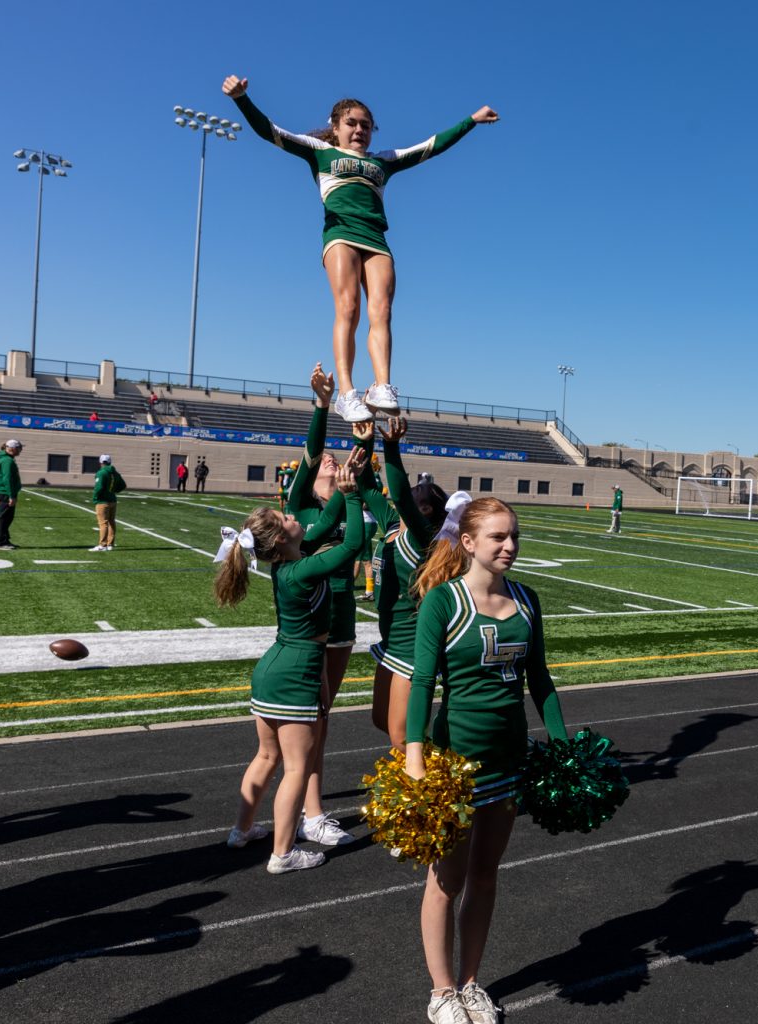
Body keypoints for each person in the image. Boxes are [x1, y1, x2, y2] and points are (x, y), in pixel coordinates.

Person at [224, 73, 499, 424]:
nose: (359, 130)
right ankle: (347, 393)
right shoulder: (320, 152)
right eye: (351, 123)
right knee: (349, 307)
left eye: (366, 125)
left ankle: (383, 386)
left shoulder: (384, 160)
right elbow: (271, 131)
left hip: (376, 239)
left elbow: (431, 146)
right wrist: (241, 100)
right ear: (335, 127)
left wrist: (471, 121)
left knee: (381, 310)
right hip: (340, 234)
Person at [405, 496, 568, 1024]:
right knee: (446, 880)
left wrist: (563, 746)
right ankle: (442, 991)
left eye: (514, 536)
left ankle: (472, 982)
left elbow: (539, 680)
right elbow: (423, 684)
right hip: (454, 767)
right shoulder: (443, 602)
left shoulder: (527, 599)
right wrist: (415, 758)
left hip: (508, 763)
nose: (510, 546)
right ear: (469, 542)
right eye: (498, 537)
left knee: (486, 876)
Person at [214, 448, 368, 872]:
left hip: (273, 669)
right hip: (296, 671)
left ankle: (242, 830)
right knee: (297, 767)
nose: (292, 515)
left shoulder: (289, 564)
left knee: (266, 758)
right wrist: (353, 498)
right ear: (282, 538)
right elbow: (353, 542)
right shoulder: (305, 569)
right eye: (284, 519)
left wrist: (343, 487)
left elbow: (326, 526)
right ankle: (283, 853)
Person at [283, 364, 361, 846]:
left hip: (344, 619)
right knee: (314, 719)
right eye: (324, 460)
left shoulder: (352, 502)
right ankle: (311, 813)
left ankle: (309, 808)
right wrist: (322, 405)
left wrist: (368, 438)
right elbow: (313, 451)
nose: (330, 459)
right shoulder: (302, 506)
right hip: (311, 623)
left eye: (338, 458)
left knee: (325, 716)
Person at [362, 417, 449, 746]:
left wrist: (392, 446)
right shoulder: (392, 525)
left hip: (412, 649)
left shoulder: (424, 540)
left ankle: (428, 790)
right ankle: (437, 769)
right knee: (381, 721)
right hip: (392, 643)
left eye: (422, 504)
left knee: (403, 738)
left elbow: (396, 492)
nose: (414, 504)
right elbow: (369, 486)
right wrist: (364, 438)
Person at [90, 454, 126, 552]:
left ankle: (102, 545)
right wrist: (114, 491)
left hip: (103, 501)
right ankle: (110, 544)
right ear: (110, 462)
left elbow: (99, 487)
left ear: (101, 462)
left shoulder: (101, 473)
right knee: (111, 522)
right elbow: (123, 485)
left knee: (103, 523)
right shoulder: (115, 473)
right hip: (112, 500)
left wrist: (95, 497)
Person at [0, 439, 22, 551]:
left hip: (4, 492)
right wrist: (11, 495)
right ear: (12, 448)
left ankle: (4, 540)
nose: (21, 450)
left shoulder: (6, 459)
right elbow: (7, 479)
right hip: (5, 493)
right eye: (19, 448)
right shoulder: (7, 461)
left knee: (7, 518)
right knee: (4, 519)